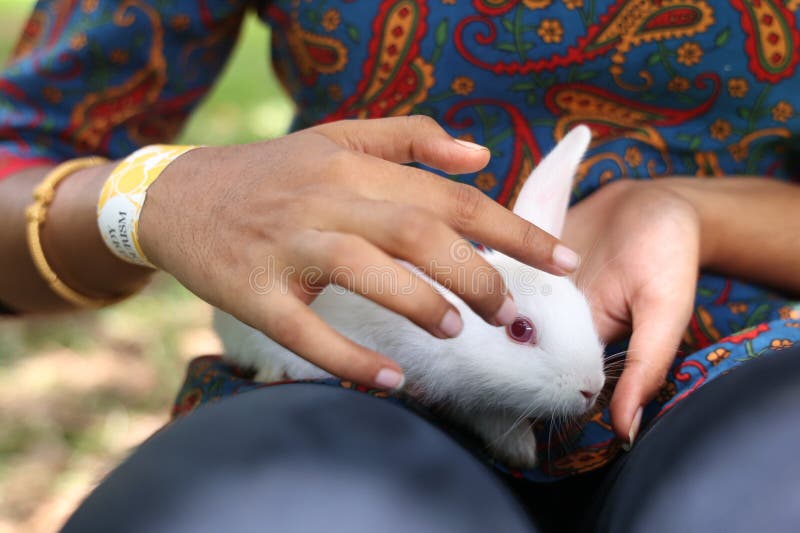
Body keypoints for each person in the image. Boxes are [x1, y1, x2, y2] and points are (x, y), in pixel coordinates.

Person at [1, 1, 798, 530]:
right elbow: (25, 142)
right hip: (341, 388)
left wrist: (706, 212)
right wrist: (152, 195)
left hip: (745, 362)